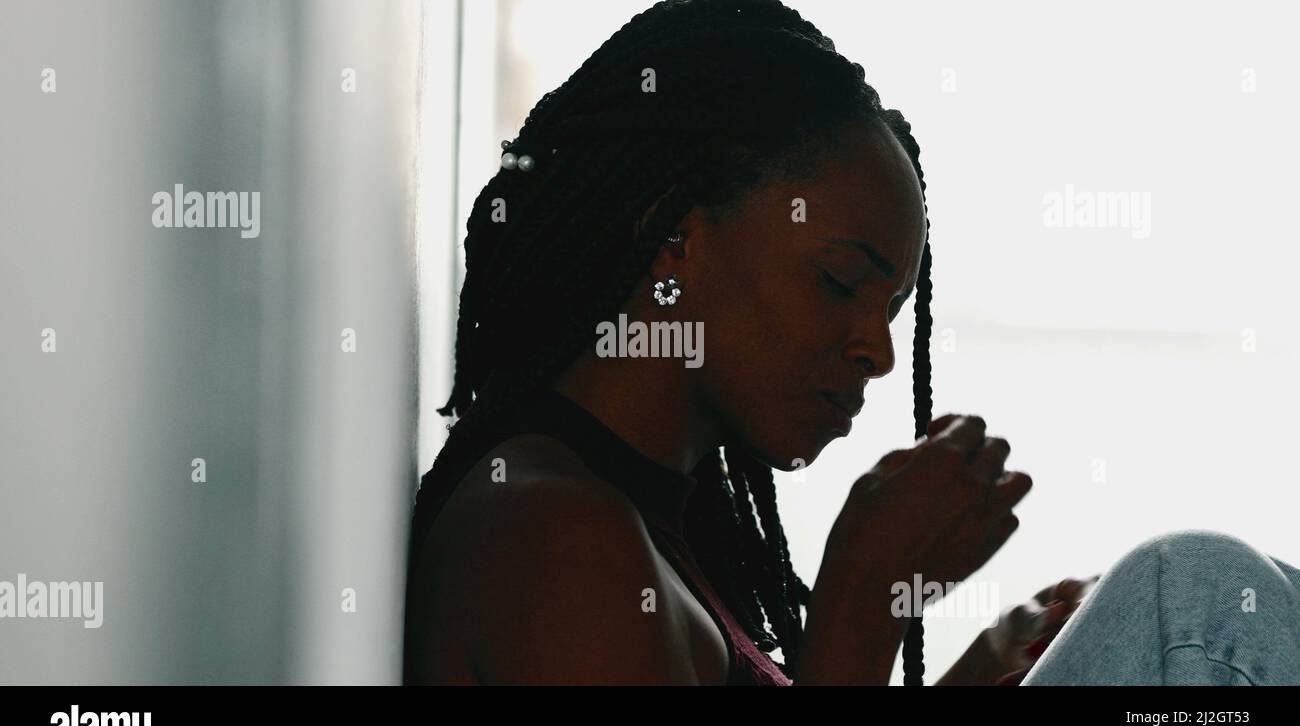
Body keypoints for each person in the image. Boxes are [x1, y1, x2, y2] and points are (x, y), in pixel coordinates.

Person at [402, 0, 1300, 685]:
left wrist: (978, 667)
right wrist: (863, 605)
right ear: (675, 234)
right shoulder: (556, 539)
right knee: (1195, 602)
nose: (876, 348)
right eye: (840, 281)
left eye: (895, 306)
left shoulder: (643, 527)